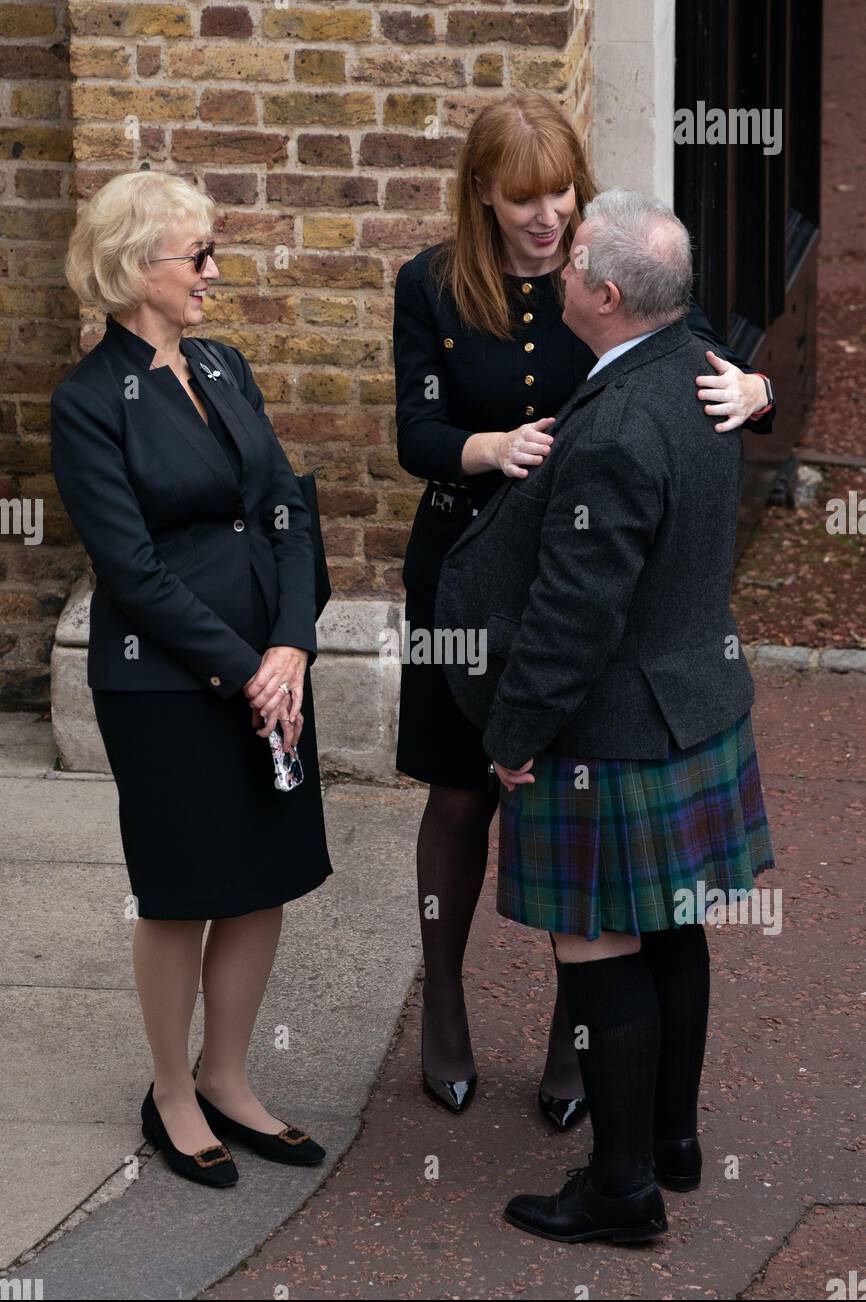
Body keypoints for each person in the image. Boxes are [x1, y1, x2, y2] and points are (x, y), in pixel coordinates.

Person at [393, 92, 776, 1124]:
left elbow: (691, 358)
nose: (546, 217)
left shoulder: (608, 268)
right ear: (483, 193)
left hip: (573, 587)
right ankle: (444, 1003)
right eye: (524, 199)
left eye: (560, 194)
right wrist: (489, 448)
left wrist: (758, 394)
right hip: (463, 582)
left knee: (573, 807)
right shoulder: (431, 283)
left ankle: (577, 1035)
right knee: (460, 795)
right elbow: (414, 435)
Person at [51, 171, 332, 1189]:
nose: (214, 271)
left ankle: (227, 1076)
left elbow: (284, 505)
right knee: (181, 889)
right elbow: (131, 572)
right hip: (165, 686)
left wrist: (292, 646)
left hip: (272, 668)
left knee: (261, 875)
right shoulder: (89, 404)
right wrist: (246, 670)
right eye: (198, 255)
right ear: (139, 270)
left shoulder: (224, 366)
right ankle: (171, 1089)